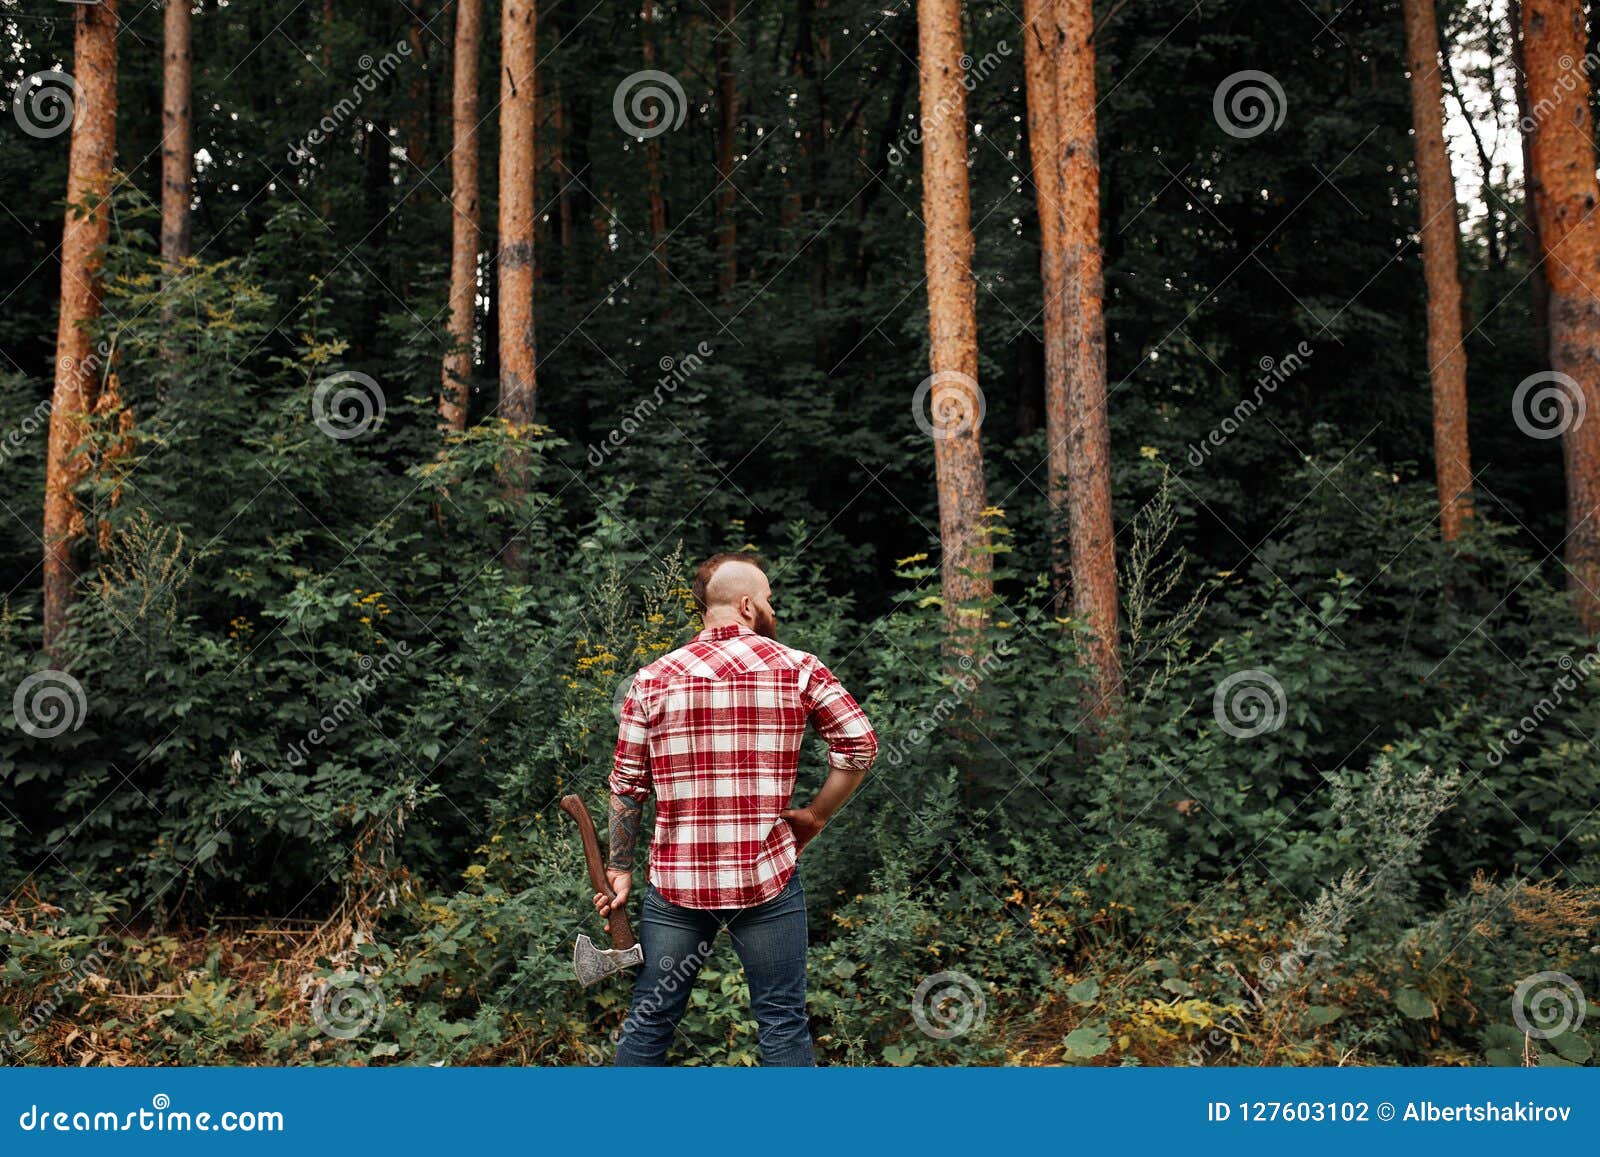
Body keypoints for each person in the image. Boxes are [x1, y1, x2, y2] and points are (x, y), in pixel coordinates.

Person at [597, 551, 878, 1065]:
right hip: (766, 879)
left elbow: (627, 786)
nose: (773, 608)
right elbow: (860, 746)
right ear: (748, 605)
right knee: (781, 1020)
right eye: (769, 599)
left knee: (651, 1018)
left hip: (677, 885)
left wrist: (618, 868)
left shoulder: (652, 679)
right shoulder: (799, 669)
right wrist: (815, 816)